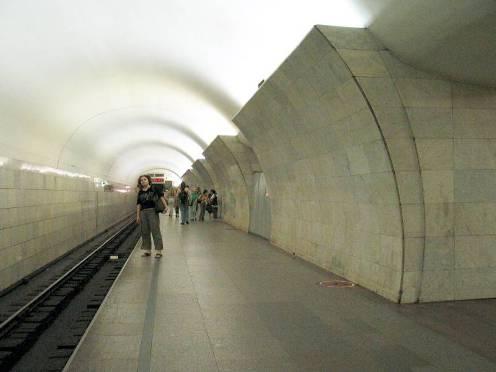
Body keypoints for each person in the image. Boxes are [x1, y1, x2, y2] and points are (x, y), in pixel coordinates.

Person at [136, 175, 167, 258]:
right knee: (145, 231)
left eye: (144, 179)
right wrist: (138, 215)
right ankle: (147, 250)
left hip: (153, 211)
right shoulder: (140, 192)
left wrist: (166, 206)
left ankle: (158, 251)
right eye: (141, 180)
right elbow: (138, 204)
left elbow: (161, 197)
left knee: (155, 230)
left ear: (148, 180)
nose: (143, 181)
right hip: (143, 213)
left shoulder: (154, 188)